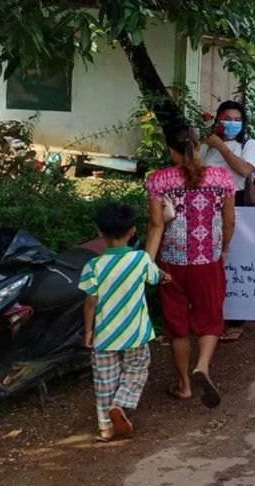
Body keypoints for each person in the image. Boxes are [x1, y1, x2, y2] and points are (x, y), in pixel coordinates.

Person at [144, 120, 236, 408]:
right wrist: (222, 249)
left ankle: (184, 385)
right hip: (207, 259)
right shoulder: (222, 178)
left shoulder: (159, 180)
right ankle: (202, 368)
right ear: (198, 147)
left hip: (171, 262)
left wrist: (147, 263)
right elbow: (229, 221)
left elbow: (156, 224)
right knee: (210, 316)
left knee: (177, 323)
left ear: (171, 150)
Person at [80, 203, 162, 441]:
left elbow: (90, 301)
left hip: (104, 336)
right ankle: (121, 403)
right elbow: (155, 277)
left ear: (99, 233)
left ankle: (105, 428)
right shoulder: (141, 260)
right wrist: (163, 276)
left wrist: (88, 330)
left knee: (104, 380)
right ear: (132, 231)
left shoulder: (93, 266)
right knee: (136, 370)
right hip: (135, 333)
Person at [199, 100, 255, 342]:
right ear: (217, 120)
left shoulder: (248, 144)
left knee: (234, 259)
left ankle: (234, 318)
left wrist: (222, 148)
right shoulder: (206, 146)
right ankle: (208, 315)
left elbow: (246, 170)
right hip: (204, 205)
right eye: (227, 118)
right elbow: (193, 169)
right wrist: (205, 144)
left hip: (236, 202)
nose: (232, 123)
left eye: (238, 119)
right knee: (208, 260)